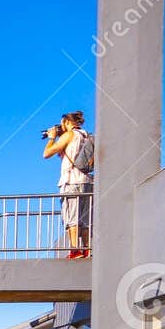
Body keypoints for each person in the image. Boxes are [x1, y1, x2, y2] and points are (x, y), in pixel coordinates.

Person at [42, 110, 94, 258]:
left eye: (62, 123)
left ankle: (74, 250)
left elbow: (46, 154)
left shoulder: (69, 135)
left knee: (72, 218)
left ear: (66, 122)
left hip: (71, 181)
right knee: (84, 219)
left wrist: (51, 138)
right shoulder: (86, 136)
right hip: (87, 181)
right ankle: (86, 250)